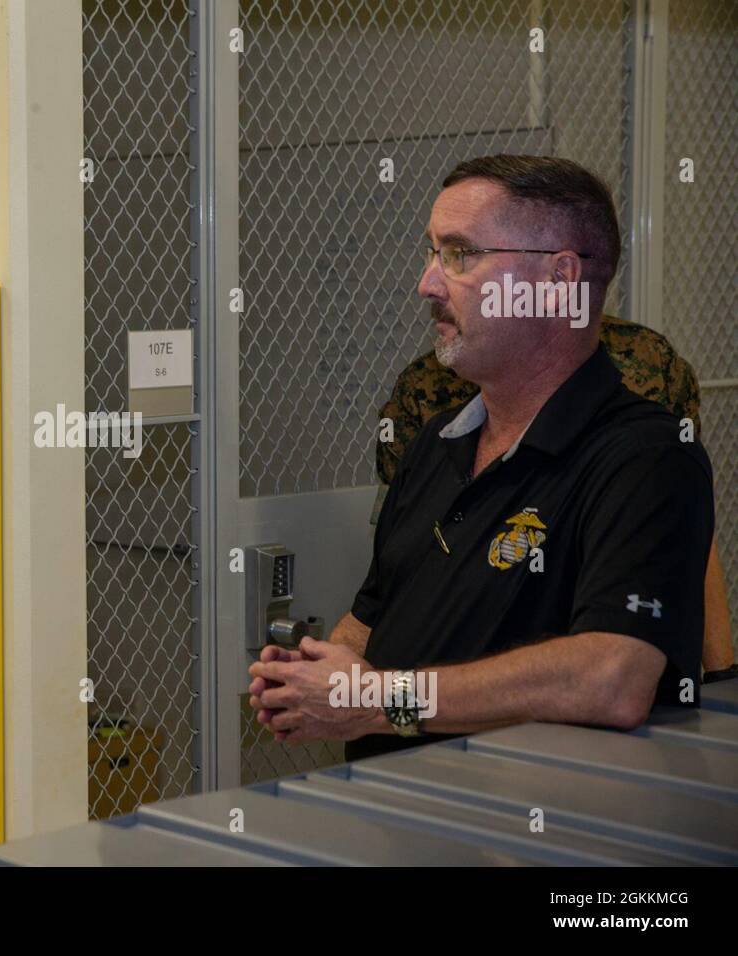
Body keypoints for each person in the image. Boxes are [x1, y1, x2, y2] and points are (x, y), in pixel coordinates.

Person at [248, 155, 715, 761]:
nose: (428, 283)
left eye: (459, 255)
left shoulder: (646, 459)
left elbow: (611, 678)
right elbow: (373, 619)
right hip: (399, 822)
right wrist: (318, 674)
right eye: (432, 252)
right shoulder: (436, 443)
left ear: (558, 279)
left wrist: (376, 699)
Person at [373, 314, 734, 677]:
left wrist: (722, 672)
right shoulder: (429, 381)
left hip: (583, 656)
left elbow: (684, 532)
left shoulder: (649, 362)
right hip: (447, 667)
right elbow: (404, 549)